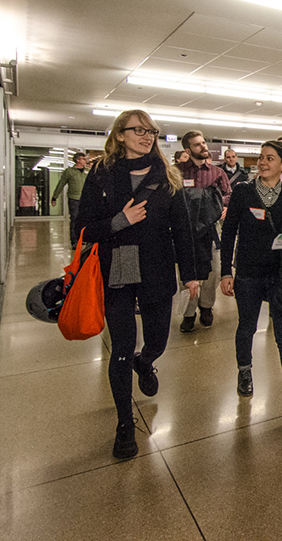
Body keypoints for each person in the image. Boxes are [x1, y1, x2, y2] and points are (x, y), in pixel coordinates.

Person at [75, 110, 201, 459]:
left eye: (152, 132)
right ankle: (125, 424)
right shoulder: (101, 175)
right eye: (139, 130)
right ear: (120, 135)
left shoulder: (169, 177)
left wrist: (190, 273)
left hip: (157, 269)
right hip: (117, 269)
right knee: (120, 349)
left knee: (158, 340)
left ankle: (145, 362)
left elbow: (183, 231)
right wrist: (119, 221)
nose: (147, 136)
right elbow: (81, 229)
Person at [220, 140, 282, 422]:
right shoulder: (242, 193)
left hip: (278, 275)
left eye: (269, 158)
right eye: (260, 157)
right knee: (247, 326)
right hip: (248, 273)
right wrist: (226, 271)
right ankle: (245, 371)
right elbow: (229, 233)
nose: (262, 162)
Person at [177, 131, 232, 332]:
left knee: (214, 271)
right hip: (185, 230)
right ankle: (188, 314)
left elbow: (228, 195)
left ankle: (206, 306)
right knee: (187, 273)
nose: (203, 147)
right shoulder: (177, 172)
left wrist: (222, 206)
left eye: (203, 143)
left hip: (211, 229)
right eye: (197, 144)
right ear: (188, 149)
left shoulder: (217, 173)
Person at [51, 152, 89, 246]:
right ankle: (74, 241)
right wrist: (54, 197)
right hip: (74, 199)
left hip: (85, 199)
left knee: (84, 220)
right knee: (75, 219)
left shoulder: (87, 171)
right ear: (78, 160)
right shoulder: (69, 172)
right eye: (84, 159)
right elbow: (61, 184)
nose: (86, 161)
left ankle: (82, 238)